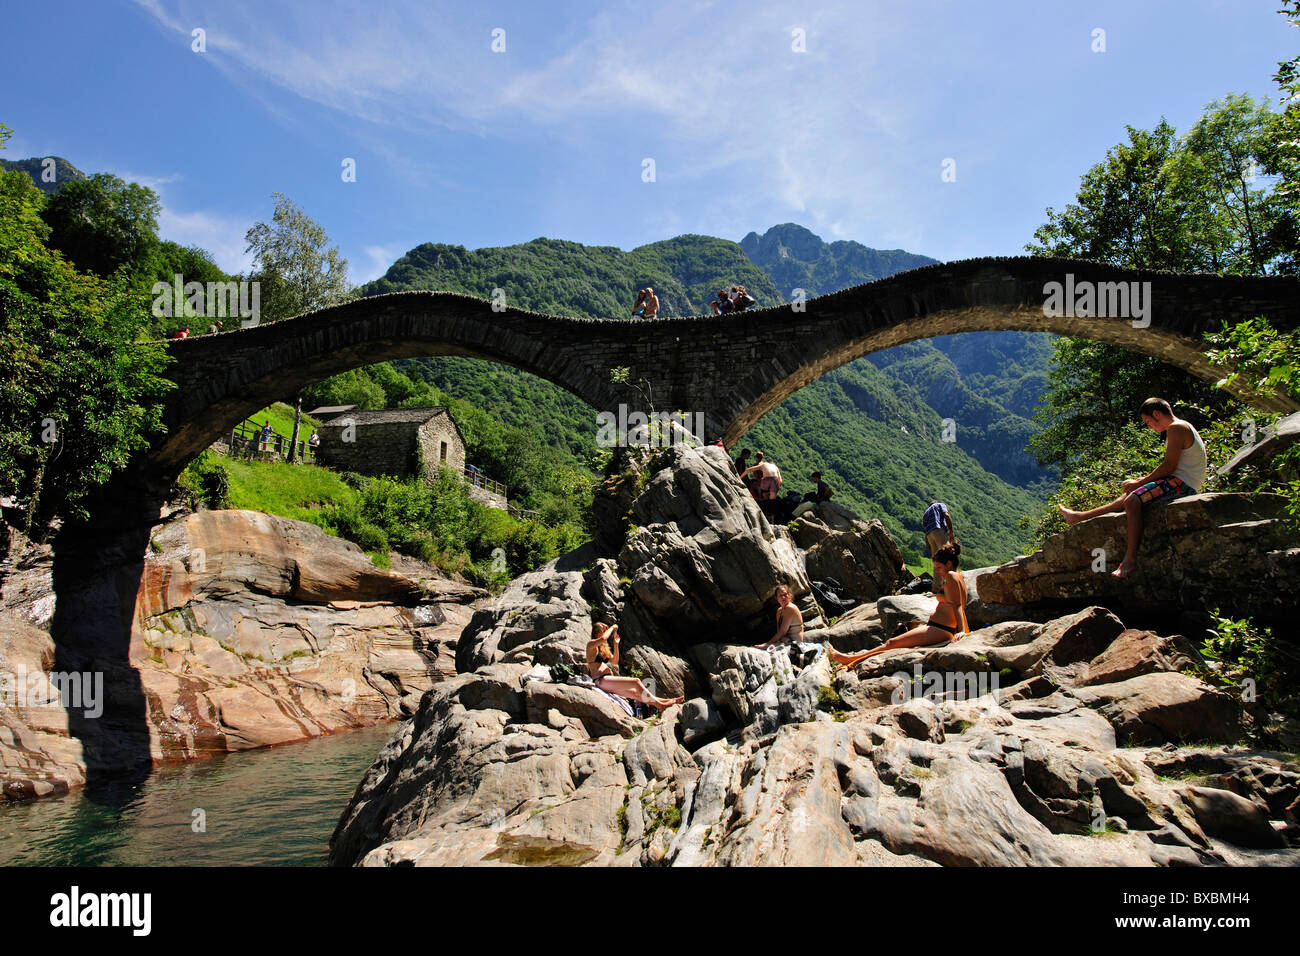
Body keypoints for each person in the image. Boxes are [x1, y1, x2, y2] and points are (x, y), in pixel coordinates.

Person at [1057, 397, 1207, 578]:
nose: (1149, 426)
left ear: (1157, 414)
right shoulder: (1182, 426)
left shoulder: (1176, 428)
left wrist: (1140, 482)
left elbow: (1169, 466)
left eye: (1148, 421)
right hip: (1181, 481)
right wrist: (1142, 482)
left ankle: (1129, 559)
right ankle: (1078, 516)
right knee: (1128, 496)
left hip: (1183, 484)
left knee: (1132, 501)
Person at [826, 542, 968, 666]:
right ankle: (852, 658)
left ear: (948, 564)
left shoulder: (951, 576)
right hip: (939, 627)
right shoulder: (959, 577)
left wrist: (962, 631)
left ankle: (849, 659)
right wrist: (964, 630)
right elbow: (958, 604)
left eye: (939, 567)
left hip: (940, 629)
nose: (937, 571)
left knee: (891, 644)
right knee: (899, 638)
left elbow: (957, 606)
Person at [586, 623, 683, 712]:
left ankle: (669, 701)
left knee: (635, 693)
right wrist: (612, 628)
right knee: (635, 682)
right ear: (597, 632)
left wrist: (616, 645)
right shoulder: (591, 645)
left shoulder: (602, 648)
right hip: (600, 680)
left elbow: (615, 661)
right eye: (604, 630)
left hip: (607, 680)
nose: (606, 632)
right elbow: (603, 638)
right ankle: (660, 705)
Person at [921, 501, 957, 592]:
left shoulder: (926, 513)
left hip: (929, 535)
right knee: (949, 556)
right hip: (938, 531)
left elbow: (925, 532)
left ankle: (936, 588)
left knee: (937, 562)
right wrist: (951, 532)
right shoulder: (940, 505)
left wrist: (930, 548)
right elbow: (947, 515)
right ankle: (954, 583)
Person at [755, 584, 803, 650]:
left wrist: (766, 644)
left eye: (785, 594)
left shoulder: (790, 608)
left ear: (789, 595)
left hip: (795, 644)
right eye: (780, 595)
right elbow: (779, 632)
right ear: (777, 598)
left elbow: (782, 632)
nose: (783, 597)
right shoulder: (779, 611)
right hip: (784, 641)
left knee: (767, 648)